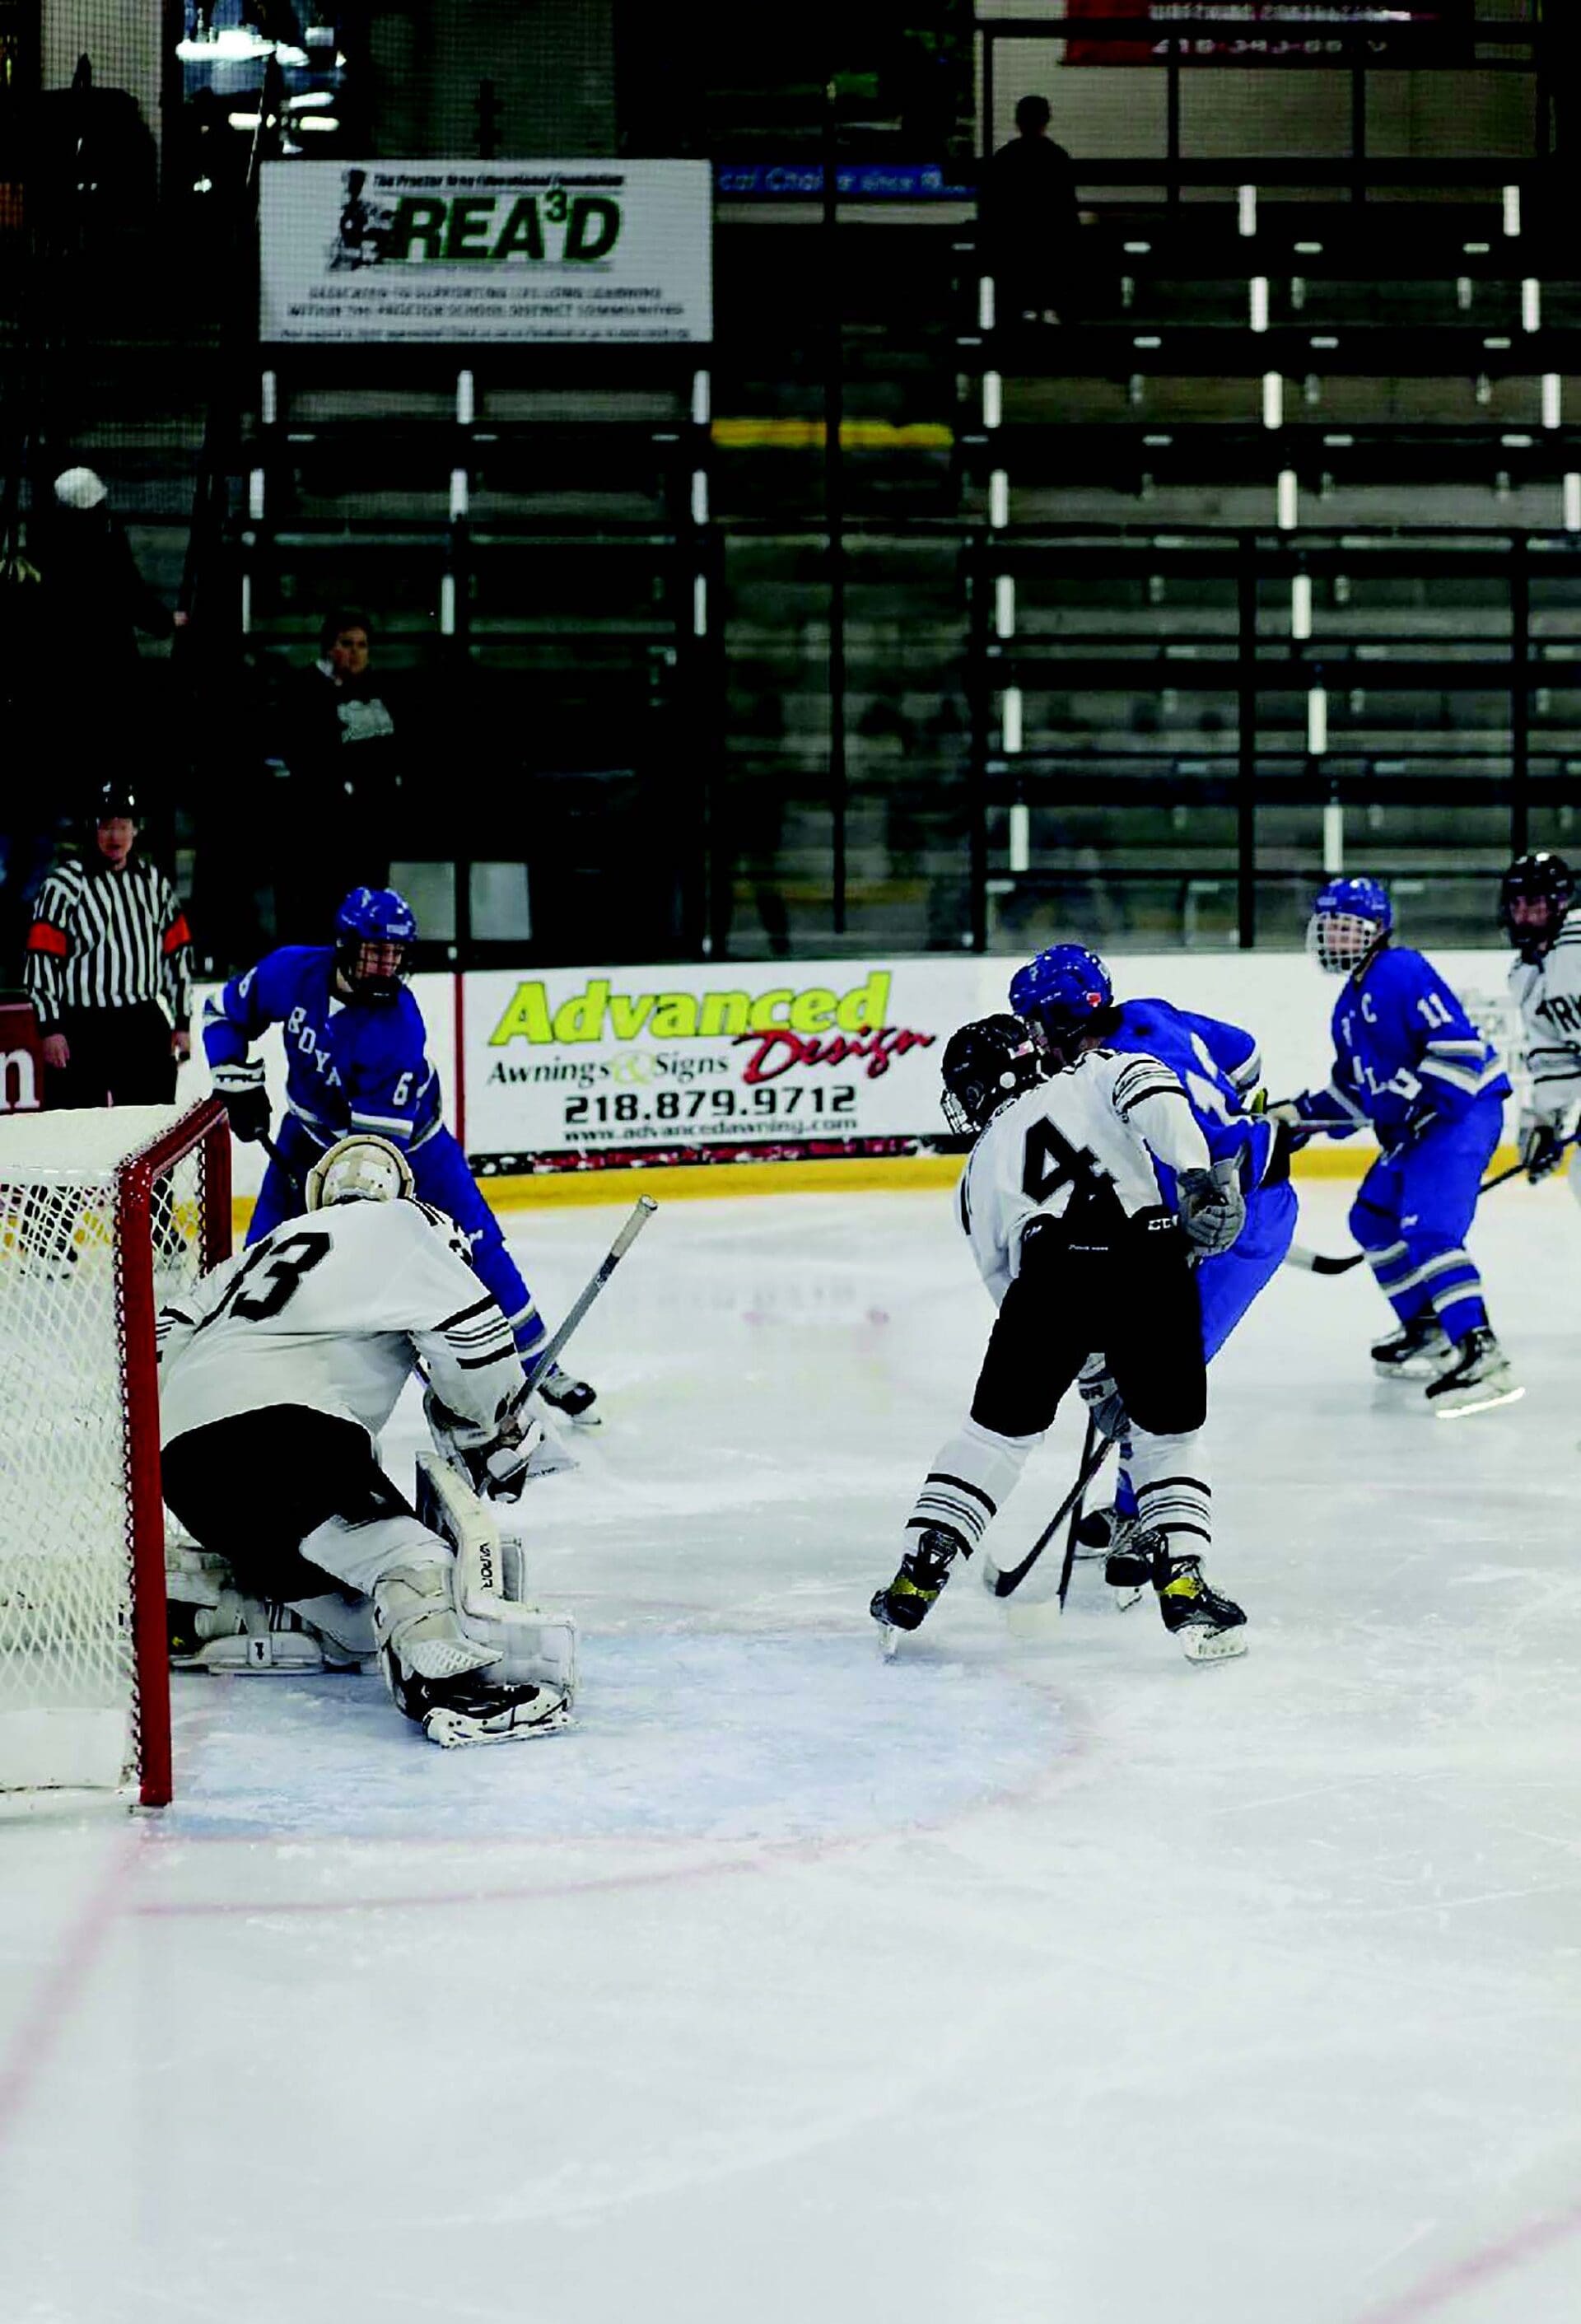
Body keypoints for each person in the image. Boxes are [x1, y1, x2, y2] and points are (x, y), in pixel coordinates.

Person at [158, 1132, 573, 1748]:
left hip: (185, 1463)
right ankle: (449, 1691)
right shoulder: (403, 1226)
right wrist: (495, 1431)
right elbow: (472, 1338)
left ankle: (222, 1610)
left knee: (357, 1628)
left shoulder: (262, 1249)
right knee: (411, 1564)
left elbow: (163, 1338)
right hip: (282, 1435)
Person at [870, 1015, 1248, 1662]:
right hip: (1150, 1259)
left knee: (992, 1439)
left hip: (1048, 1279)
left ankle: (920, 1570)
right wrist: (1193, 1173)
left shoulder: (977, 1168)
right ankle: (1184, 1587)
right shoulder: (1095, 1071)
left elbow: (1005, 1281)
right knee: (1168, 1440)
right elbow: (1156, 1093)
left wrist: (1088, 1369)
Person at [203, 884, 599, 1422]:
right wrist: (236, 1082)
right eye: (376, 951)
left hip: (417, 1151)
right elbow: (222, 1012)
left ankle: (537, 1365)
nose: (388, 965)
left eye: (397, 953)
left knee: (480, 1251)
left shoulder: (398, 1029)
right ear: (345, 945)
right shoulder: (291, 971)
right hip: (307, 1137)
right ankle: (239, 1375)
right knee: (264, 1253)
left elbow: (371, 1161)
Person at [1008, 942, 1299, 1573]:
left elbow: (1170, 1179)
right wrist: (1235, 1113)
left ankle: (1147, 1522)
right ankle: (1131, 1503)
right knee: (1141, 1360)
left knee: (1164, 1364)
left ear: (1066, 1017)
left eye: (1039, 1024)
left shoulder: (1122, 1079)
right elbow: (1242, 1051)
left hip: (1241, 1216)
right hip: (1225, 1194)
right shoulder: (1147, 1012)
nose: (1034, 1040)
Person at [1270, 877, 1519, 1416]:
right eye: (1327, 926)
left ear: (1376, 931)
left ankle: (1482, 1352)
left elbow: (1458, 1048)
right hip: (1421, 1125)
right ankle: (1426, 1327)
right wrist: (1294, 1117)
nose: (1332, 938)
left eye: (1345, 927)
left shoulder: (1400, 970)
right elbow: (1353, 1093)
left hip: (1461, 1113)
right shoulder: (1347, 1007)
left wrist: (1425, 1109)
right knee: (1373, 1219)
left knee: (1429, 1230)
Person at [23, 778, 193, 1108]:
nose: (115, 836)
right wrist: (51, 1028)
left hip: (141, 1021)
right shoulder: (64, 885)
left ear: (135, 830)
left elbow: (178, 954)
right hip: (82, 1026)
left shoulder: (153, 884)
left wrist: (182, 1021)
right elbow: (41, 960)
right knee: (75, 1135)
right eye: (106, 826)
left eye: (123, 826)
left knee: (148, 1131)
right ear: (93, 829)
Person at [273, 609, 402, 940]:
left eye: (363, 645)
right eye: (348, 644)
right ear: (330, 648)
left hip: (374, 822)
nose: (357, 653)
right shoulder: (304, 689)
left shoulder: (378, 686)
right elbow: (301, 753)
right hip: (328, 827)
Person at [1500, 851, 1581, 1191]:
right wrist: (1546, 1120)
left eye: (1533, 904)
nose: (1523, 915)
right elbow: (1558, 1061)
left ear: (1560, 903)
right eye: (1516, 905)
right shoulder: (1526, 975)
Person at [982, 92, 1083, 328]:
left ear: (1018, 121)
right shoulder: (1056, 157)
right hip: (1050, 245)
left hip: (1013, 245)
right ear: (1046, 120)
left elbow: (992, 204)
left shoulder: (1005, 158)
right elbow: (1067, 207)